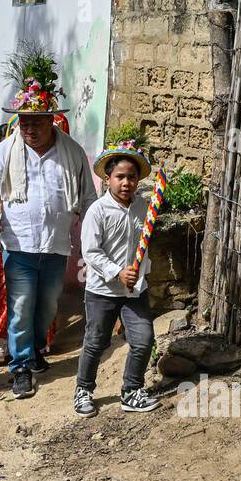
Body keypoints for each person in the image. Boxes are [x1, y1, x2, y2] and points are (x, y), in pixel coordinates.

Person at [0, 54, 96, 400]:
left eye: (35, 123)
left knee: (48, 306)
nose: (28, 129)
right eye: (23, 123)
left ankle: (36, 349)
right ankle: (22, 367)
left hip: (56, 246)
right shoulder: (5, 150)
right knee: (22, 304)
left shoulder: (71, 152)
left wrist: (93, 238)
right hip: (19, 244)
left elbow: (87, 198)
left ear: (50, 121)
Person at [74, 141, 162, 417]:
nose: (126, 182)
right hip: (102, 290)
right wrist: (117, 272)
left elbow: (143, 244)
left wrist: (138, 272)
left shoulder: (144, 208)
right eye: (120, 177)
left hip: (135, 290)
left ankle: (132, 390)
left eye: (131, 177)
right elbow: (91, 251)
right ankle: (83, 390)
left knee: (144, 339)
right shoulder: (98, 211)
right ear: (107, 178)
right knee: (96, 341)